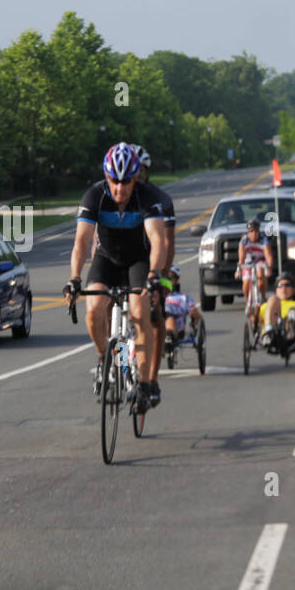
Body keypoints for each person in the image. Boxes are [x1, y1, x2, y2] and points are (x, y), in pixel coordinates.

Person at [65, 142, 168, 413]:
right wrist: (75, 278)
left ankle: (144, 383)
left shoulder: (146, 196)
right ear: (106, 177)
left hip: (138, 260)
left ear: (136, 177)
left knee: (138, 310)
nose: (120, 189)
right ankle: (104, 358)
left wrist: (155, 274)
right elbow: (81, 241)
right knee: (94, 309)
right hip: (107, 259)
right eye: (114, 181)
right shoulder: (95, 195)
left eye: (126, 182)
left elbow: (157, 240)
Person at [131, 144, 176, 407]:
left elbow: (168, 244)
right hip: (125, 261)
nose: (135, 177)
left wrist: (163, 278)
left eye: (141, 171)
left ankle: (153, 379)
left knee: (155, 314)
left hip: (152, 261)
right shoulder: (117, 196)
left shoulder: (160, 199)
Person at [235, 218, 273, 324]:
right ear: (248, 232)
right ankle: (248, 301)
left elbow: (268, 255)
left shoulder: (263, 240)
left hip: (260, 261)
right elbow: (241, 258)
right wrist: (238, 270)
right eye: (251, 231)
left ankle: (263, 295)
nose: (254, 234)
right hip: (248, 263)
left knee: (261, 273)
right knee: (246, 282)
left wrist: (269, 267)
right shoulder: (243, 241)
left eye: (256, 231)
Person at [259, 270, 295, 345]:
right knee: (273, 300)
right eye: (280, 285)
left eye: (287, 285)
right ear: (276, 290)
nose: (283, 288)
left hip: (293, 333)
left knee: (292, 313)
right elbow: (256, 321)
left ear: (293, 290)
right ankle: (269, 333)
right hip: (274, 331)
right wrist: (255, 312)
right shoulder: (268, 305)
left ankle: (290, 326)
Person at [161, 264, 201, 347]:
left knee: (170, 320)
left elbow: (197, 316)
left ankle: (168, 337)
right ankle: (126, 356)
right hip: (158, 322)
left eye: (170, 278)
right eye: (165, 278)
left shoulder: (184, 297)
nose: (167, 281)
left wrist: (193, 312)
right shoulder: (157, 296)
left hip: (176, 326)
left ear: (176, 279)